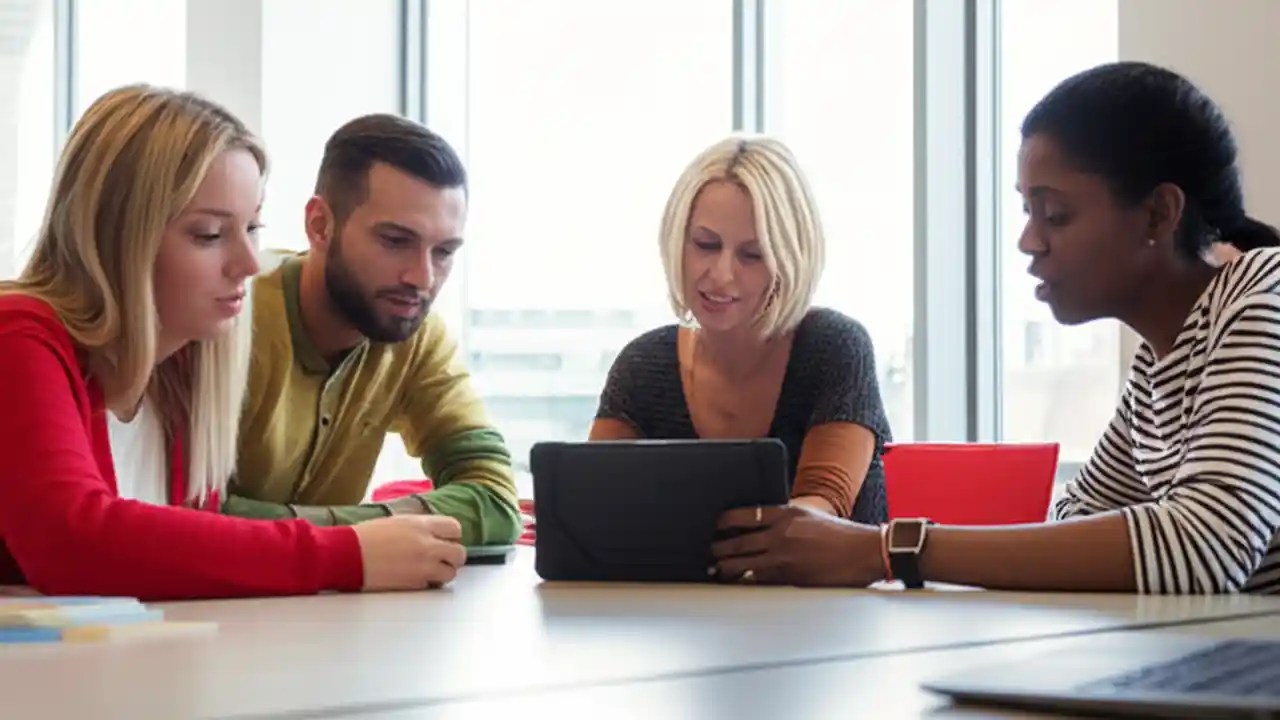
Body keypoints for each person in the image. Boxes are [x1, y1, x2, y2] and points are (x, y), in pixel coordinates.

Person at [711, 62, 1280, 594]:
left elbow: (1204, 544)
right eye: (1028, 212)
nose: (1029, 242)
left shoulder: (1264, 292)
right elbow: (1075, 522)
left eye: (1055, 215)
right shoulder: (1160, 366)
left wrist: (886, 549)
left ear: (1158, 213)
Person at [0, 85, 466, 600]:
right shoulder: (18, 336)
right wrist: (345, 553)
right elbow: (73, 542)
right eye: (209, 234)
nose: (248, 263)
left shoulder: (183, 368)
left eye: (253, 227)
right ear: (118, 236)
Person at [220, 114, 521, 547]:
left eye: (443, 252)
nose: (422, 278)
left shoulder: (418, 337)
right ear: (320, 225)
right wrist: (371, 538)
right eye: (396, 241)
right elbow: (183, 517)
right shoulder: (227, 317)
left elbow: (494, 501)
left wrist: (359, 536)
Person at [590, 136, 892, 522]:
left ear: (790, 259)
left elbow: (821, 519)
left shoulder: (834, 348)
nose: (721, 275)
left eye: (752, 255)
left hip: (822, 567)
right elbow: (591, 506)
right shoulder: (643, 366)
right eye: (705, 245)